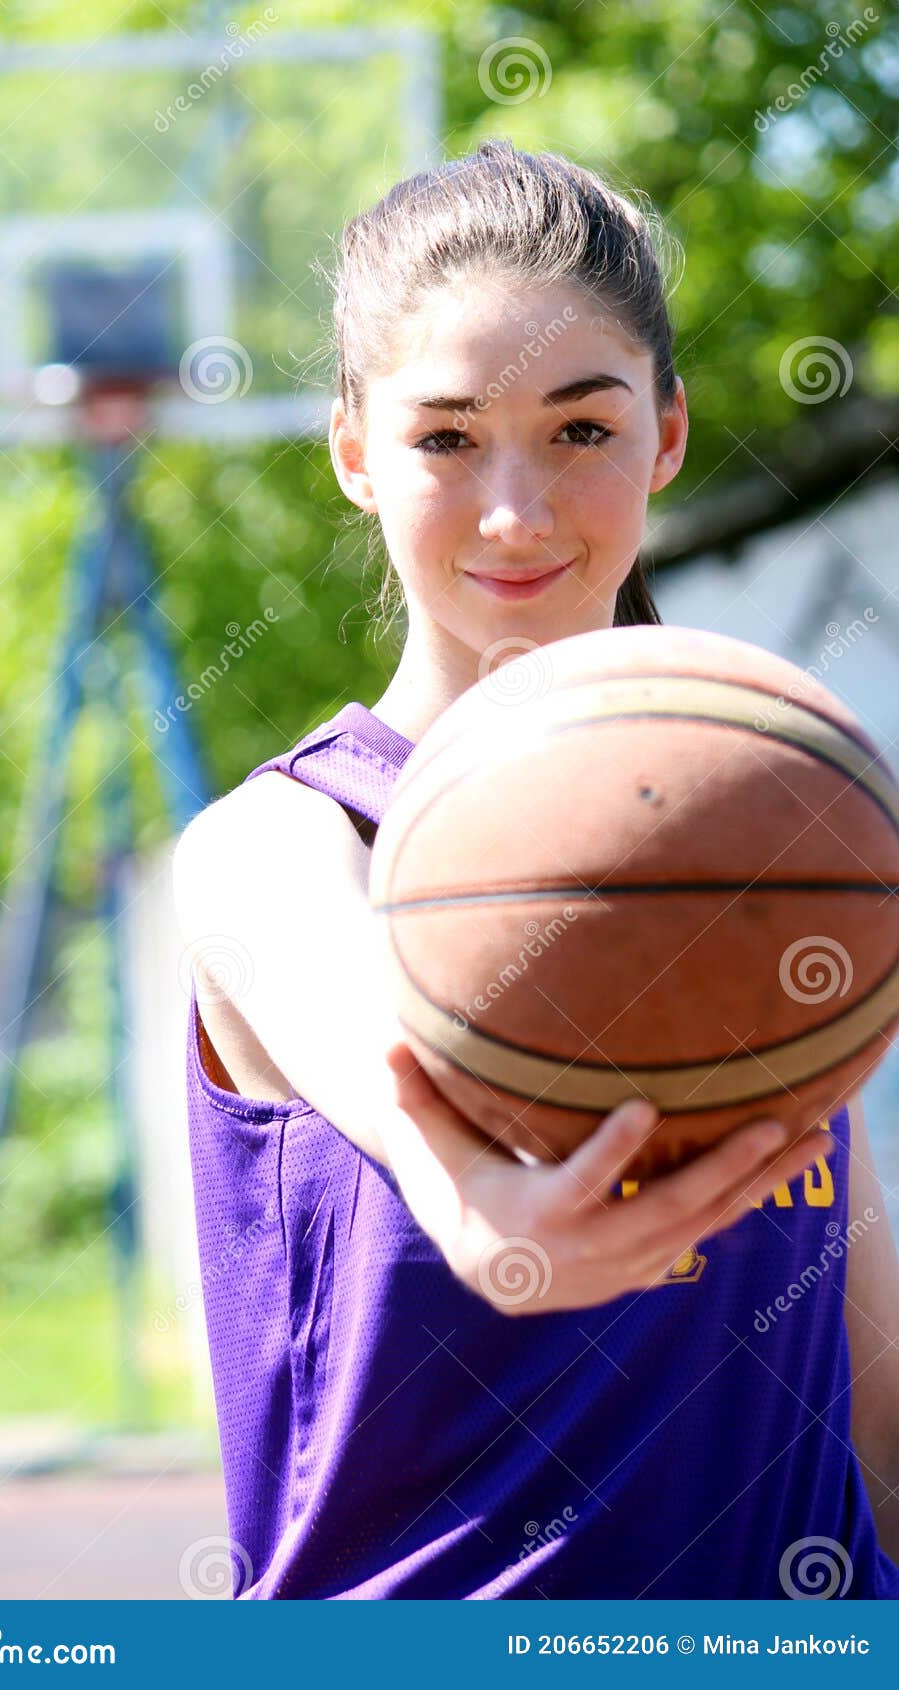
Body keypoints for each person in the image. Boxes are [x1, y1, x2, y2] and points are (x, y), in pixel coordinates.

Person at [173, 140, 899, 1600]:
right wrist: (478, 1205)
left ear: (669, 435)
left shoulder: (772, 841)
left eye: (582, 428)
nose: (517, 509)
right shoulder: (282, 845)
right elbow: (376, 1044)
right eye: (446, 438)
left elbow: (873, 1401)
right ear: (355, 453)